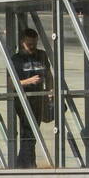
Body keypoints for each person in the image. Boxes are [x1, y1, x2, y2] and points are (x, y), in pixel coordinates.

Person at [11, 27, 53, 168]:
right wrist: (28, 82)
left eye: (34, 44)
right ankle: (28, 164)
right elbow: (10, 83)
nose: (32, 47)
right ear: (22, 42)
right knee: (28, 132)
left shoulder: (41, 55)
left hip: (39, 99)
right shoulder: (16, 59)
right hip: (24, 100)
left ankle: (22, 164)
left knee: (32, 134)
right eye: (29, 44)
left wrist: (49, 90)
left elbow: (48, 75)